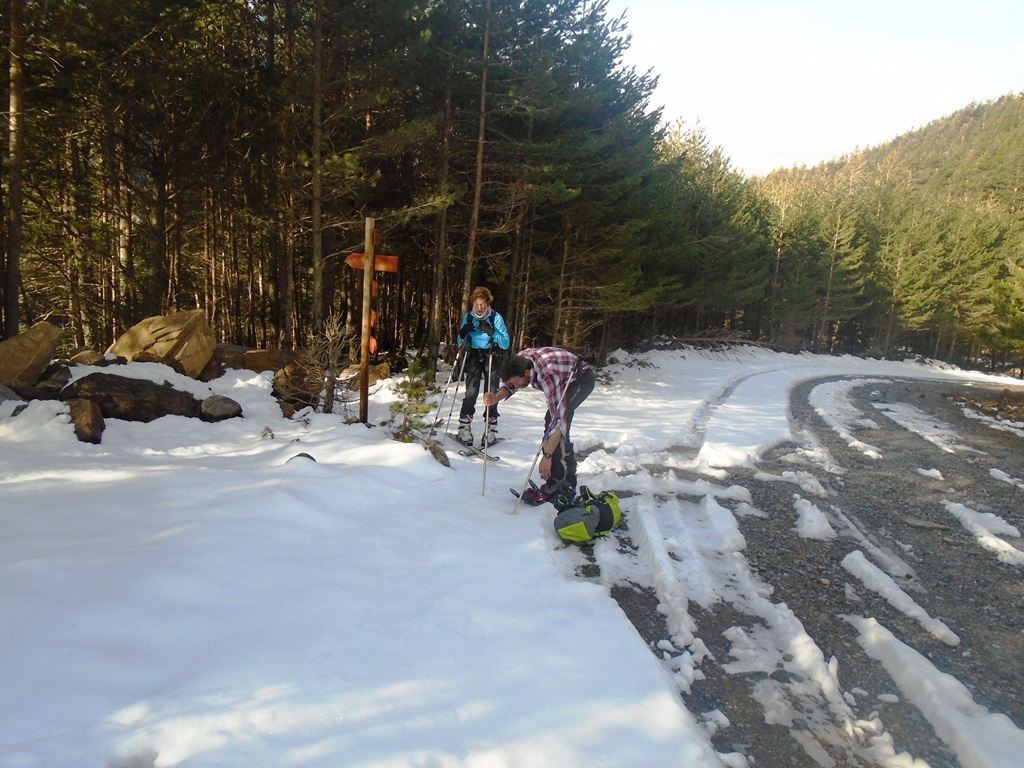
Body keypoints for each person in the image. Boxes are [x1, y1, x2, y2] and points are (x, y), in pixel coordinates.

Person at [482, 347, 595, 501]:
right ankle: (556, 476)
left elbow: (558, 421)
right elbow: (511, 384)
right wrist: (495, 397)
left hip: (581, 379)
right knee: (552, 422)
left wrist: (546, 456)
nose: (514, 384)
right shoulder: (519, 361)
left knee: (557, 422)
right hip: (563, 375)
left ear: (527, 373)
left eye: (516, 381)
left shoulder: (547, 374)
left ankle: (565, 482)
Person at [456, 287, 510, 446]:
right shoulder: (469, 317)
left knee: (491, 391)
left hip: (492, 355)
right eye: (477, 304)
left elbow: (505, 343)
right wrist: (463, 333)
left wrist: (491, 332)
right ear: (473, 302)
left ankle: (490, 428)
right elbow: (461, 342)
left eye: (483, 304)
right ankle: (464, 426)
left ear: (488, 303)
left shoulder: (495, 317)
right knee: (471, 391)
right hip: (474, 355)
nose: (480, 307)